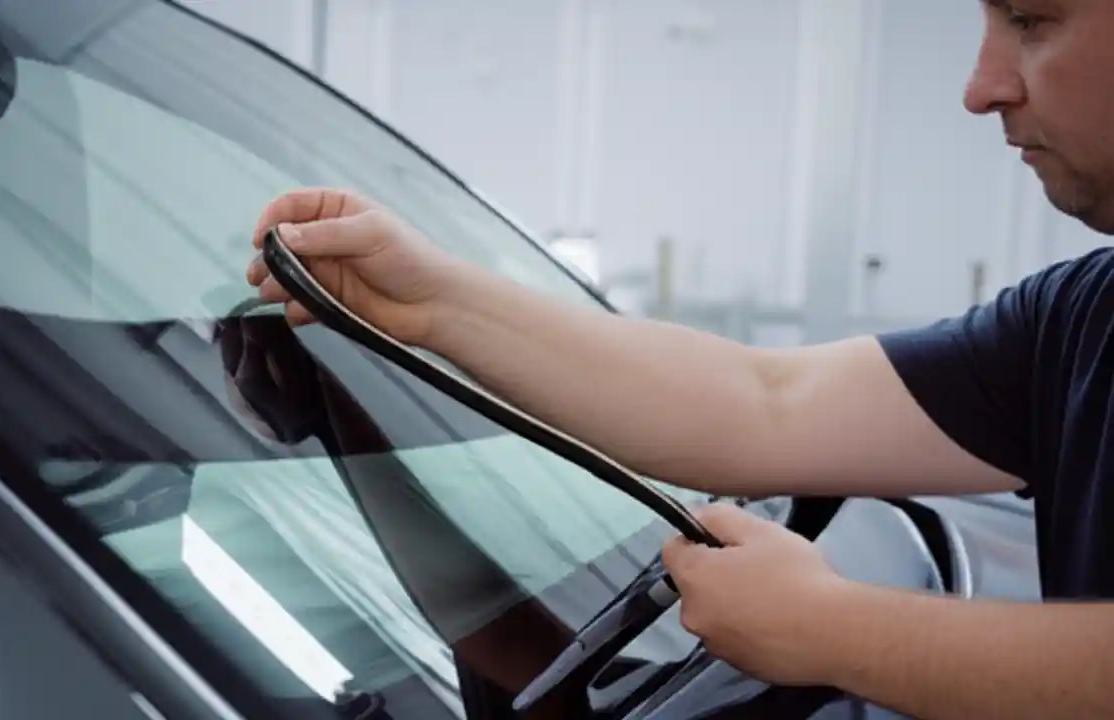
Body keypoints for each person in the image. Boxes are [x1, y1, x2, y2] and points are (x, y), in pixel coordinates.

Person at [246, 2, 1114, 718]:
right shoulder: (1082, 318)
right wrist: (435, 301)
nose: (980, 87)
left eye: (1034, 20)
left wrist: (834, 630)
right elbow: (763, 403)